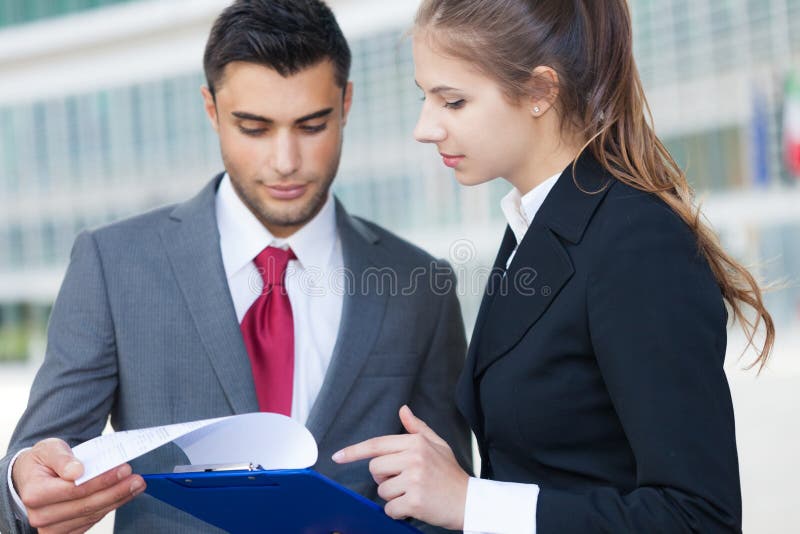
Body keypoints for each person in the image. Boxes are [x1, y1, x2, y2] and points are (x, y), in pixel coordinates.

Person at [0, 1, 472, 532]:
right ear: (211, 110)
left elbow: (445, 503)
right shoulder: (114, 266)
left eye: (312, 125)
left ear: (346, 103)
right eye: (254, 128)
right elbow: (38, 455)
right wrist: (23, 488)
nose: (285, 160)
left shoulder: (420, 286)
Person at [334, 0, 775, 532]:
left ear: (541, 91)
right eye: (424, 96)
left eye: (452, 101)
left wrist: (471, 501)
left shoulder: (637, 242)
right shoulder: (533, 222)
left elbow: (698, 518)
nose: (424, 128)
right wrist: (449, 482)